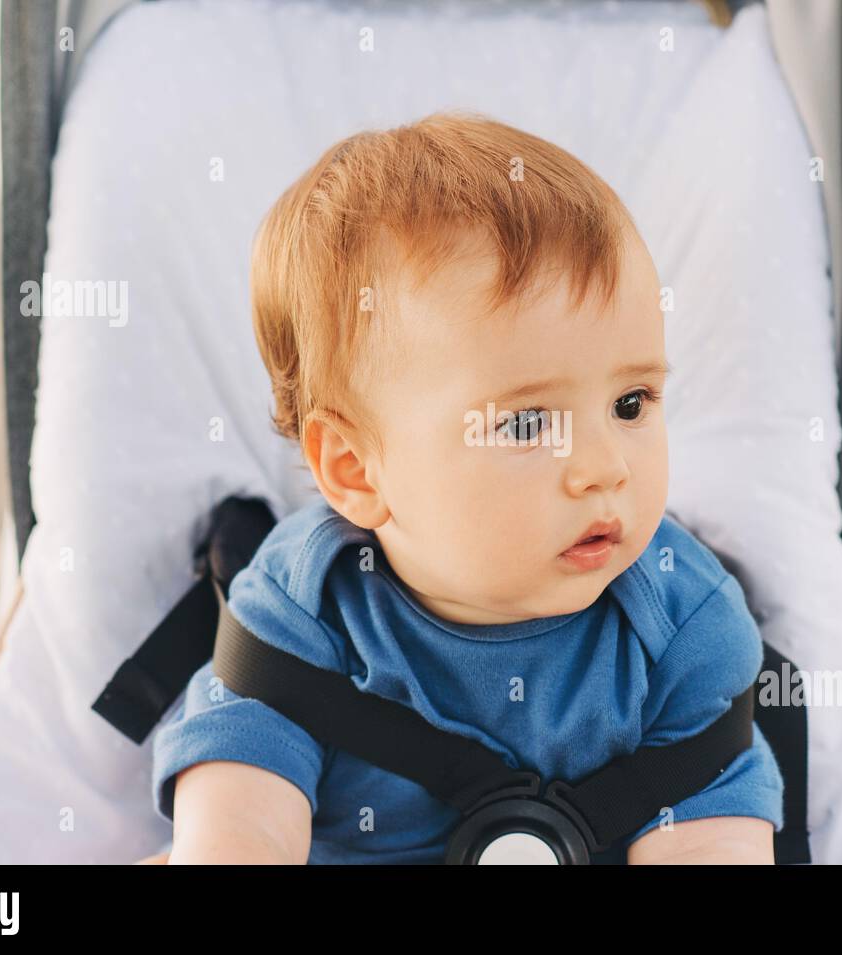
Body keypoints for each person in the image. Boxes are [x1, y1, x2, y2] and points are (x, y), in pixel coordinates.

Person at [149, 110, 784, 864]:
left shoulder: (683, 624)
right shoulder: (307, 606)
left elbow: (711, 834)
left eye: (631, 403)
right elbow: (239, 813)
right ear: (356, 469)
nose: (605, 466)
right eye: (524, 425)